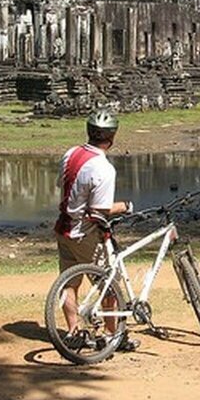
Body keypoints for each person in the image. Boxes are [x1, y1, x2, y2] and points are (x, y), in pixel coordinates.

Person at [55, 110, 137, 351]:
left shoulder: (71, 153)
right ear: (112, 136)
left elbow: (64, 187)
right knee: (109, 286)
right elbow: (99, 211)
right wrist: (126, 206)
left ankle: (73, 332)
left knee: (69, 282)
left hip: (64, 227)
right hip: (85, 233)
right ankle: (114, 336)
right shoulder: (103, 168)